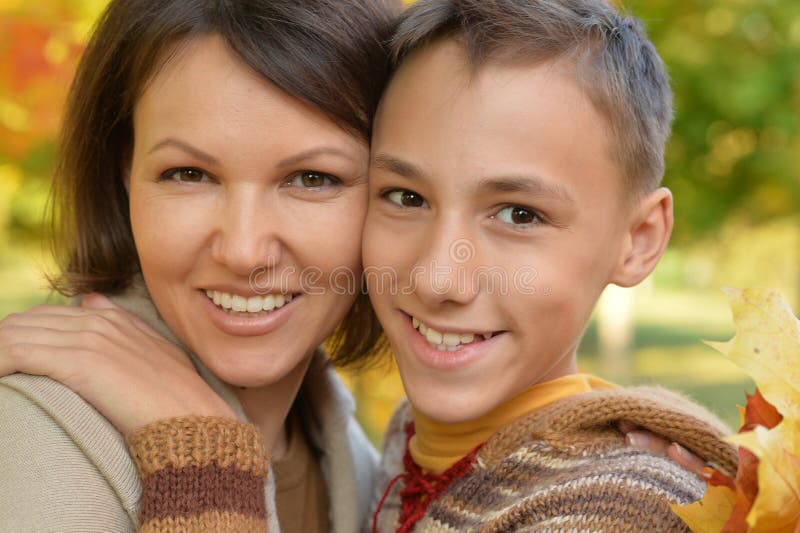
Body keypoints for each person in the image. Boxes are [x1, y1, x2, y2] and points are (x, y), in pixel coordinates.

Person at [0, 0, 398, 531]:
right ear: (125, 170)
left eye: (311, 178)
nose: (244, 250)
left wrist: (200, 451)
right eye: (188, 173)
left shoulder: (353, 454)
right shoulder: (39, 444)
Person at [363, 0, 738, 530]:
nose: (437, 277)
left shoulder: (621, 510)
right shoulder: (411, 439)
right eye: (405, 197)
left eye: (519, 214)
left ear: (638, 240)